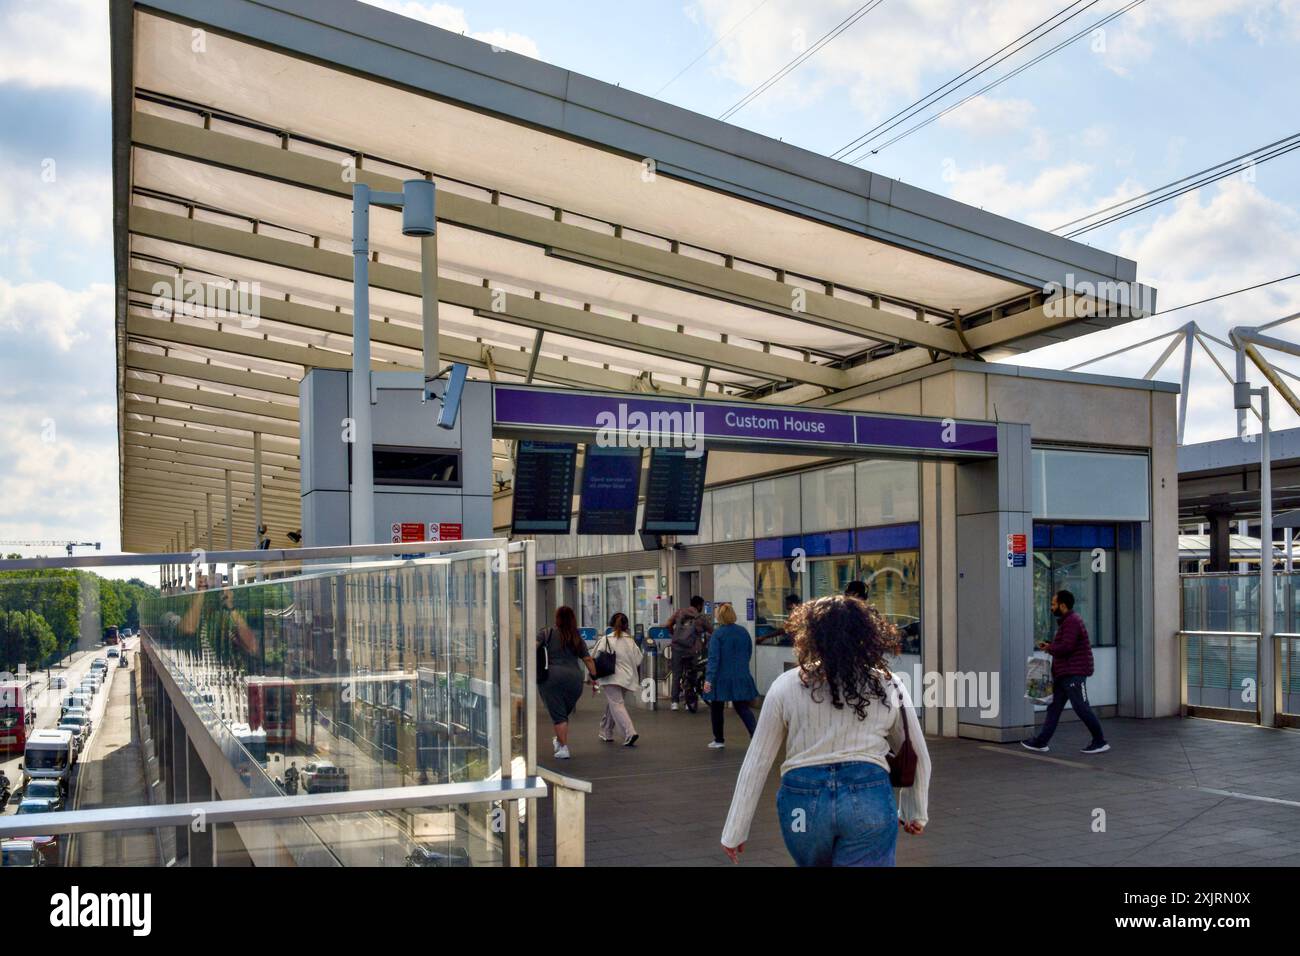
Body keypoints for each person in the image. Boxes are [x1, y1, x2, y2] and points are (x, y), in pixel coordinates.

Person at [720, 596, 930, 867]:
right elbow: (917, 754)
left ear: (810, 636)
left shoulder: (785, 686)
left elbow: (757, 762)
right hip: (869, 799)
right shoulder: (888, 684)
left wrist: (735, 830)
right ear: (867, 635)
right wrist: (915, 812)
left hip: (802, 807)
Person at [1022, 590, 1109, 754]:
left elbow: (1067, 647)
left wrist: (1050, 648)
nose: (1051, 607)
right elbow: (1066, 644)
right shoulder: (1067, 622)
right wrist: (1050, 645)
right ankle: (1041, 742)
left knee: (1081, 707)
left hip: (1074, 673)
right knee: (1054, 708)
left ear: (1063, 605)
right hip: (1064, 674)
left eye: (1054, 604)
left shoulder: (1072, 622)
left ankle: (1100, 741)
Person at [537, 606, 598, 759]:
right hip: (574, 680)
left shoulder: (546, 633)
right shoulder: (576, 637)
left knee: (559, 715)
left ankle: (563, 747)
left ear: (557, 618)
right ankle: (559, 741)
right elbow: (588, 659)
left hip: (551, 677)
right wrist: (594, 677)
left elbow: (532, 647)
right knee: (562, 713)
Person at [703, 602, 759, 749]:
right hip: (741, 675)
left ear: (719, 617)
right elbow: (748, 652)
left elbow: (714, 658)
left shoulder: (718, 634)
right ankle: (756, 735)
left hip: (721, 677)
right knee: (742, 707)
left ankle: (719, 739)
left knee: (716, 707)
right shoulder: (743, 632)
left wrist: (709, 679)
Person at [595, 612, 643, 747]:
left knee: (617, 704)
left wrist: (591, 676)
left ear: (611, 624)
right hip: (627, 678)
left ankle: (630, 733)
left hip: (610, 677)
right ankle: (606, 731)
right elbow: (638, 659)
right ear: (626, 625)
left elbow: (596, 657)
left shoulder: (606, 639)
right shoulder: (631, 641)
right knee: (615, 703)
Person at [666, 596, 713, 712]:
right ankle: (689, 702)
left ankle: (674, 703)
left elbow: (668, 624)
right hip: (692, 649)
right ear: (699, 606)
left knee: (677, 674)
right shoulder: (700, 618)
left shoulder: (679, 612)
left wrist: (674, 636)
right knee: (692, 674)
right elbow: (712, 631)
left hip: (677, 648)